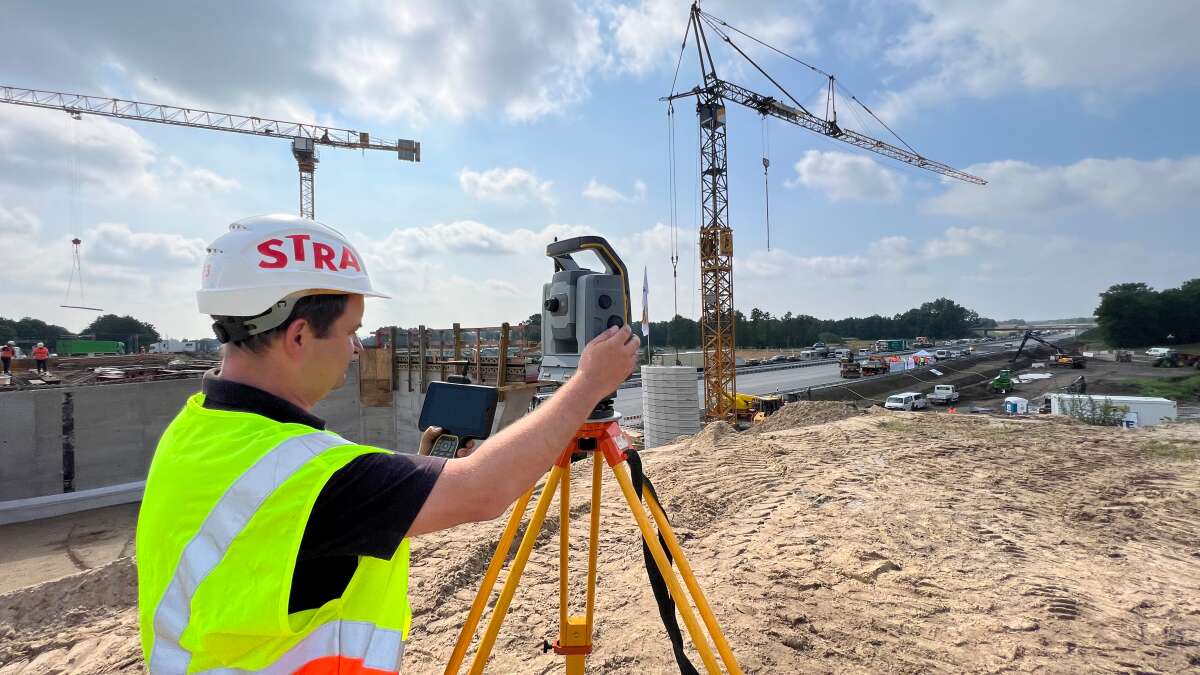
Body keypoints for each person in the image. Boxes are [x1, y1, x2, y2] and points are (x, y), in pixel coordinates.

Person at [136, 214, 639, 673]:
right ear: (298, 336)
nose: (357, 350)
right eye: (352, 332)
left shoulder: (197, 430)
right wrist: (588, 384)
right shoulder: (310, 476)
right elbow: (483, 490)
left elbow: (296, 529)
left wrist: (415, 475)